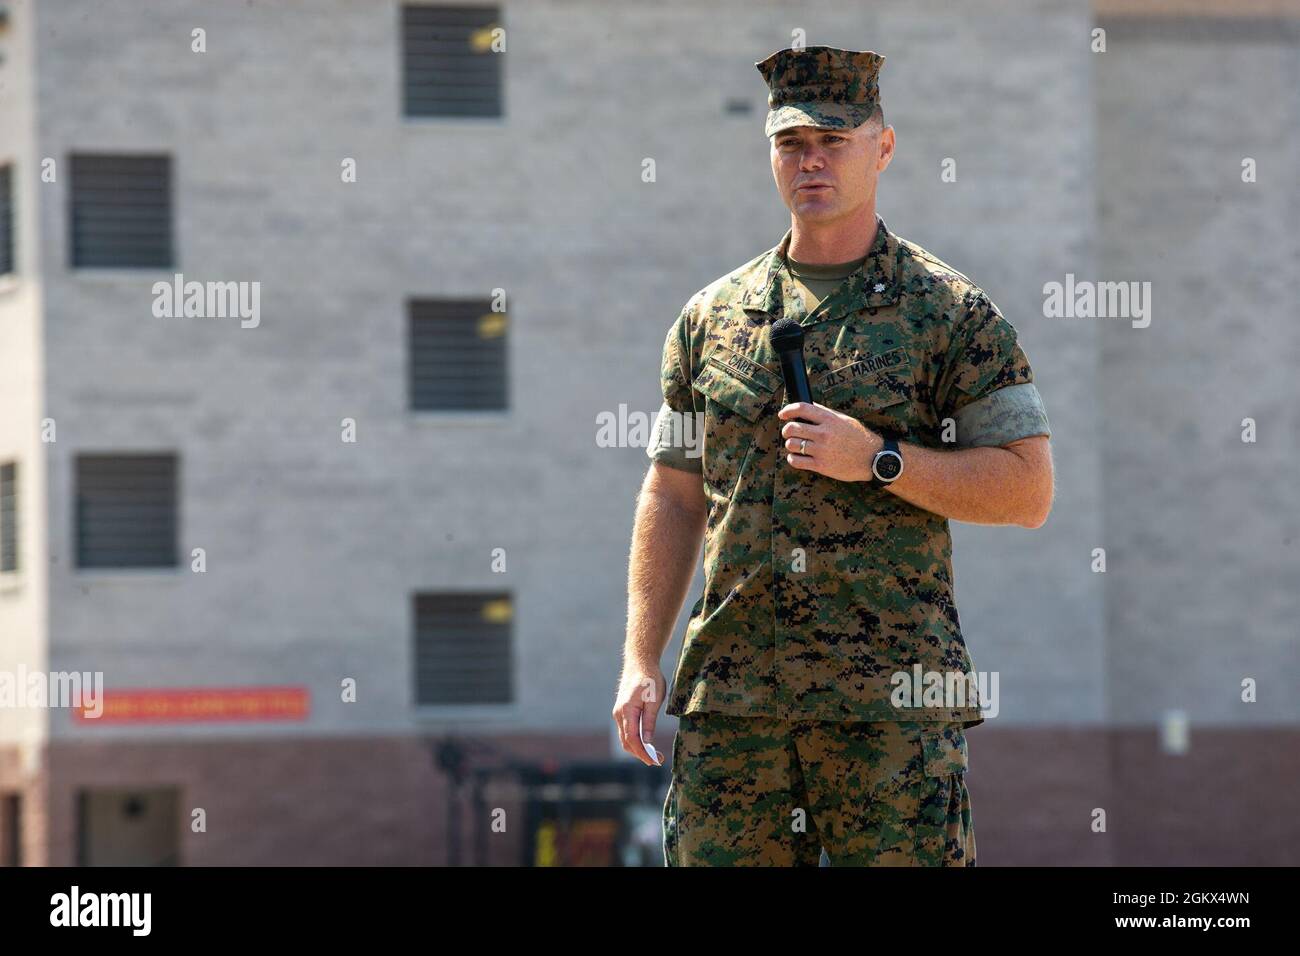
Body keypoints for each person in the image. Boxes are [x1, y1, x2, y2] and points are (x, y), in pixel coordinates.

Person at [612, 45, 1055, 866]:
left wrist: (881, 460)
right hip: (736, 710)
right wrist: (641, 659)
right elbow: (672, 495)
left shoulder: (950, 313)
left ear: (882, 147)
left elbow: (1028, 490)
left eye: (834, 139)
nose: (810, 160)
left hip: (891, 716)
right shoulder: (711, 318)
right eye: (791, 143)